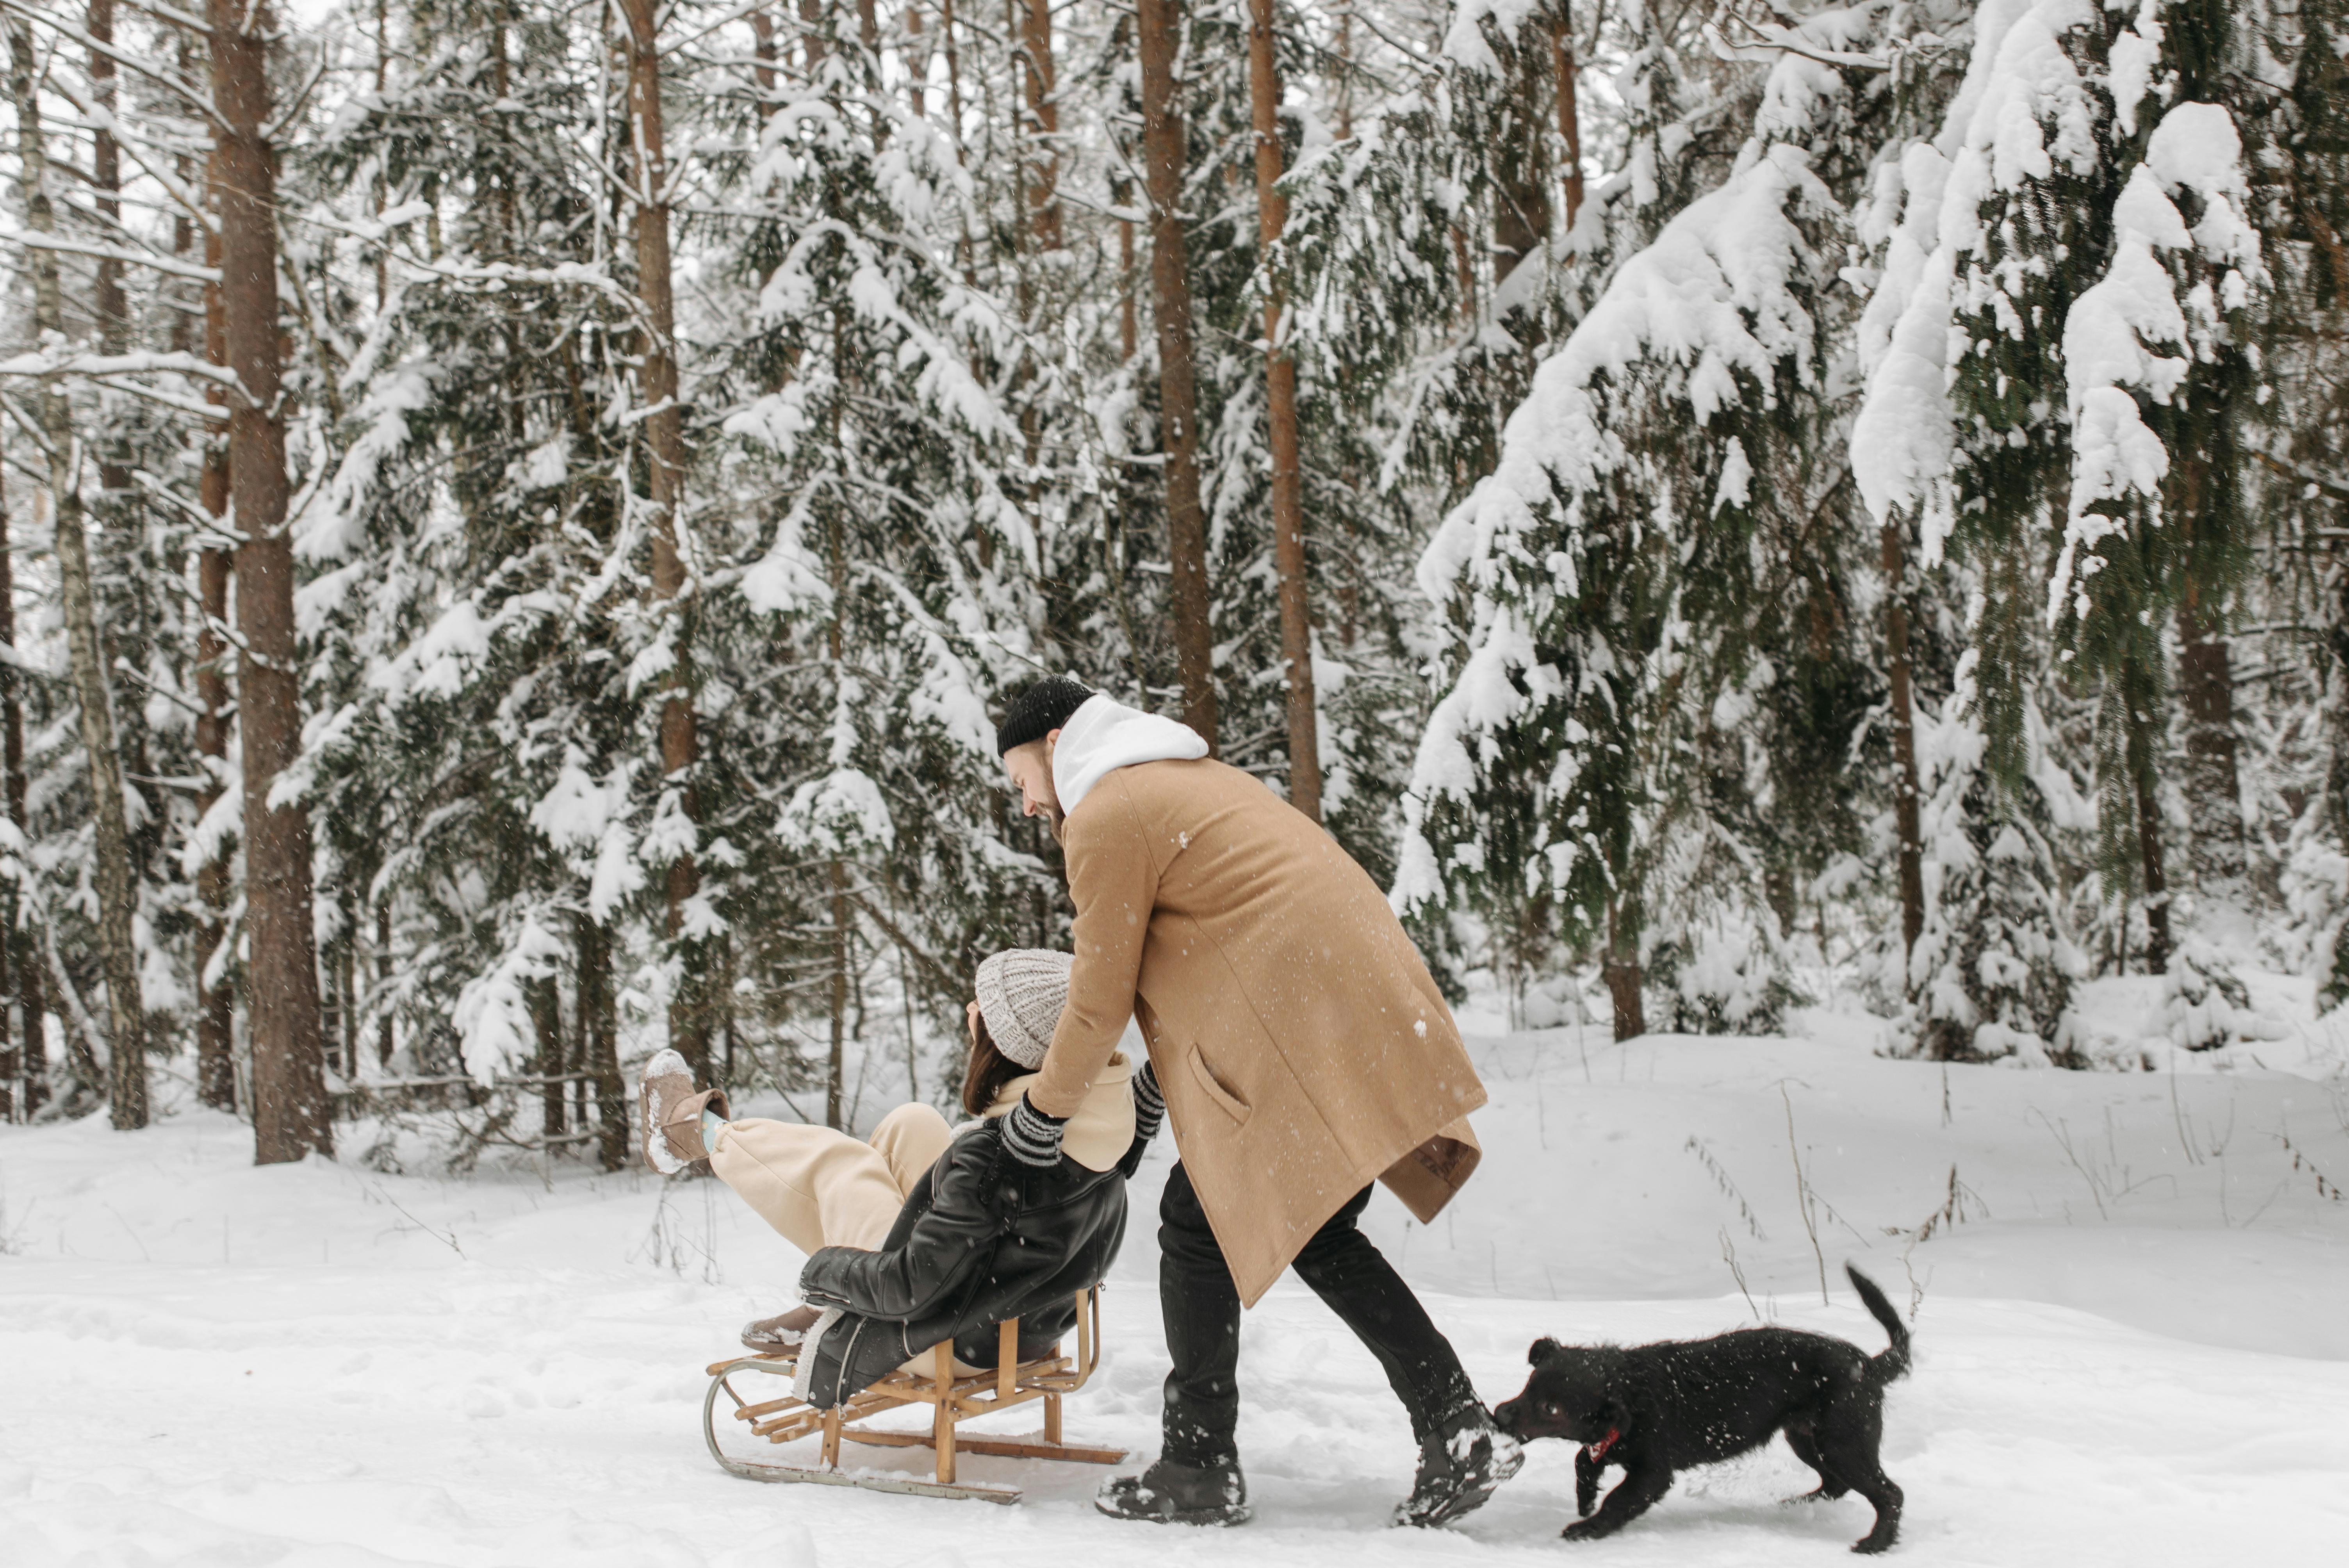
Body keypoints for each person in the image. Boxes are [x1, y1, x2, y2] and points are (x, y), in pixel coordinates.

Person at [987, 675, 1518, 1528]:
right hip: (1336, 997)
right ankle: (1454, 1425)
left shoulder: (1104, 809)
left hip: (1299, 1014)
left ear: (1052, 744)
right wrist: (1156, 1098)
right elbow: (1201, 956)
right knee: (1311, 1227)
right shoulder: (1173, 778)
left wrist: (1040, 1114)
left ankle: (1200, 1465)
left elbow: (1099, 993)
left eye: (1018, 779)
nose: (1024, 803)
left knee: (1197, 1227)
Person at [639, 948, 1144, 1407]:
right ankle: (846, 1307)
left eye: (981, 1007)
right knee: (914, 1123)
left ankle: (689, 1130)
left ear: (1008, 1045)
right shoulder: (1101, 1120)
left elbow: (911, 1287)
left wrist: (823, 1274)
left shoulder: (994, 1160)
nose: (969, 1012)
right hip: (1007, 1319)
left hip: (945, 1335)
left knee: (839, 1163)